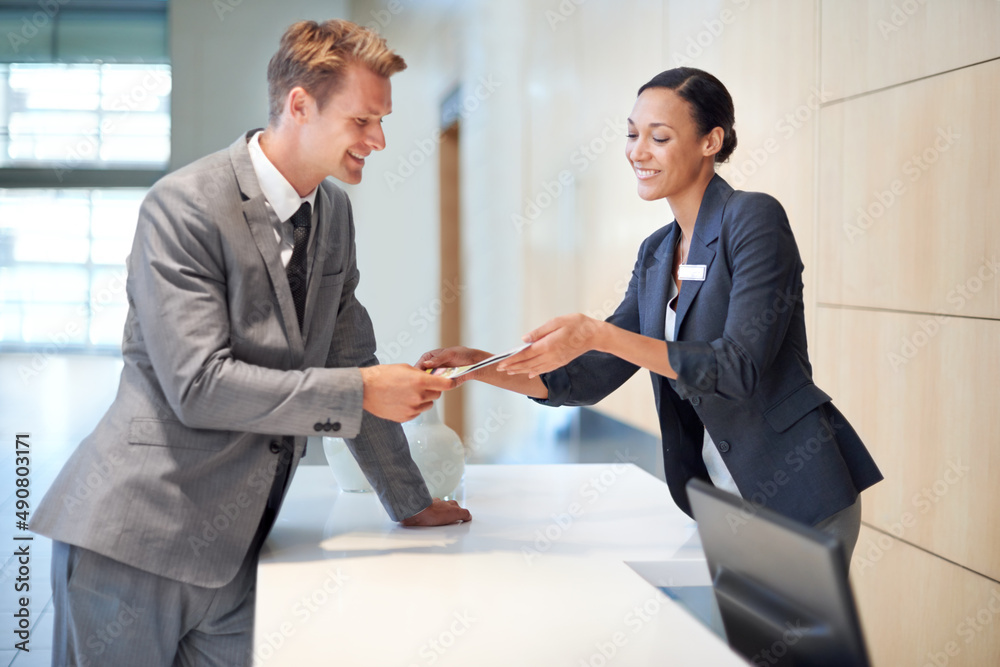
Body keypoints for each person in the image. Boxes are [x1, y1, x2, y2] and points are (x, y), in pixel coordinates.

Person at [31, 19, 469, 666]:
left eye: (383, 121)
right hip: (133, 544)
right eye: (362, 121)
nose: (379, 139)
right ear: (300, 104)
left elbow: (352, 360)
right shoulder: (182, 209)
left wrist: (411, 501)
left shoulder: (334, 214)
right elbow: (199, 387)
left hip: (236, 553)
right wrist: (362, 391)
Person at [419, 67, 881, 563]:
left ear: (711, 141)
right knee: (746, 645)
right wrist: (480, 365)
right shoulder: (657, 252)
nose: (638, 151)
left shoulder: (752, 218)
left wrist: (598, 333)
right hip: (723, 501)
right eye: (632, 134)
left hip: (796, 493)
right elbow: (586, 378)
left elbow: (737, 369)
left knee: (795, 645)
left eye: (659, 137)